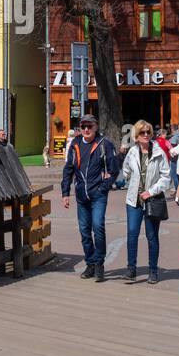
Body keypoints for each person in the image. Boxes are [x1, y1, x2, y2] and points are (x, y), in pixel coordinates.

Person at [60, 114, 117, 282]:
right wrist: (65, 193)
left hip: (98, 194)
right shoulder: (75, 144)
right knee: (84, 231)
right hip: (81, 195)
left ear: (96, 127)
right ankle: (90, 263)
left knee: (98, 227)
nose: (85, 129)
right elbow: (68, 169)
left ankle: (99, 264)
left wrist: (104, 187)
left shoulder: (104, 144)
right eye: (83, 126)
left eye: (89, 126)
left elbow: (114, 170)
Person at [121, 120, 169, 284]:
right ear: (136, 135)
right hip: (133, 200)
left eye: (148, 132)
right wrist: (133, 184)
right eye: (142, 132)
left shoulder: (158, 152)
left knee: (152, 236)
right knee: (132, 234)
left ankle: (153, 271)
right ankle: (131, 270)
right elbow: (126, 170)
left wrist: (151, 191)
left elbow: (166, 177)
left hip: (152, 199)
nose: (146, 135)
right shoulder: (132, 152)